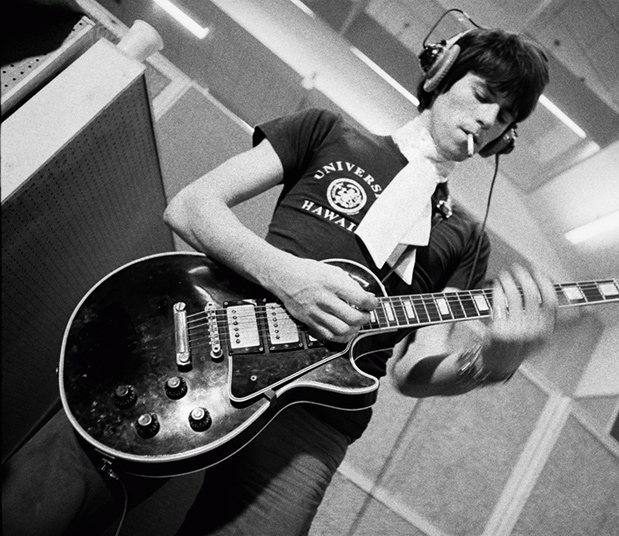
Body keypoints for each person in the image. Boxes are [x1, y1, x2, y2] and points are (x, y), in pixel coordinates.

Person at [2, 26, 555, 535]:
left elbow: (412, 371)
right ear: (441, 75)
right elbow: (192, 206)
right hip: (210, 346)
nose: (489, 120)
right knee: (52, 487)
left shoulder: (466, 238)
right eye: (483, 94)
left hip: (321, 415)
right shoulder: (325, 130)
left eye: (506, 117)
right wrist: (287, 276)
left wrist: (493, 362)